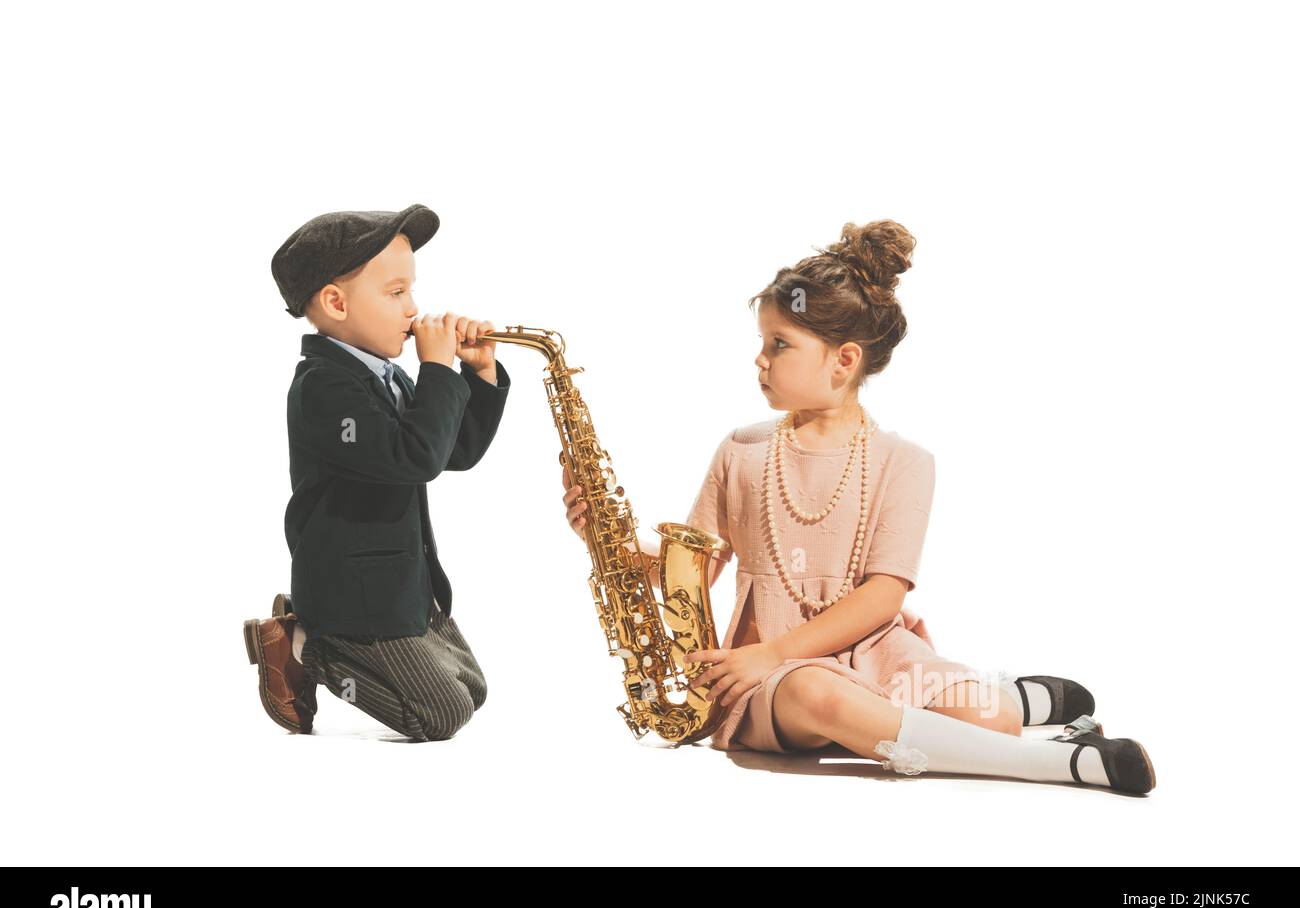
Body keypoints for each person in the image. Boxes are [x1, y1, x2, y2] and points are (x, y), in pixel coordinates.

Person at [562, 220, 1154, 793]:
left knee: (992, 719)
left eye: (779, 344)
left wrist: (778, 650)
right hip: (772, 672)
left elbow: (883, 595)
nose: (760, 359)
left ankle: (1005, 698)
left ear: (843, 361)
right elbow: (694, 570)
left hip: (873, 649)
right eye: (761, 343)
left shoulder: (906, 461)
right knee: (818, 696)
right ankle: (1055, 762)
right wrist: (605, 538)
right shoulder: (741, 450)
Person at [243, 203, 510, 741]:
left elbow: (451, 451)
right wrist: (434, 368)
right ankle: (308, 649)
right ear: (336, 303)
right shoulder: (323, 388)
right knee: (438, 715)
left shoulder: (387, 377)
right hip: (355, 594)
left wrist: (478, 374)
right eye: (395, 293)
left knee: (472, 691)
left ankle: (317, 637)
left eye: (412, 290)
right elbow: (412, 457)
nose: (414, 309)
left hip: (402, 585)